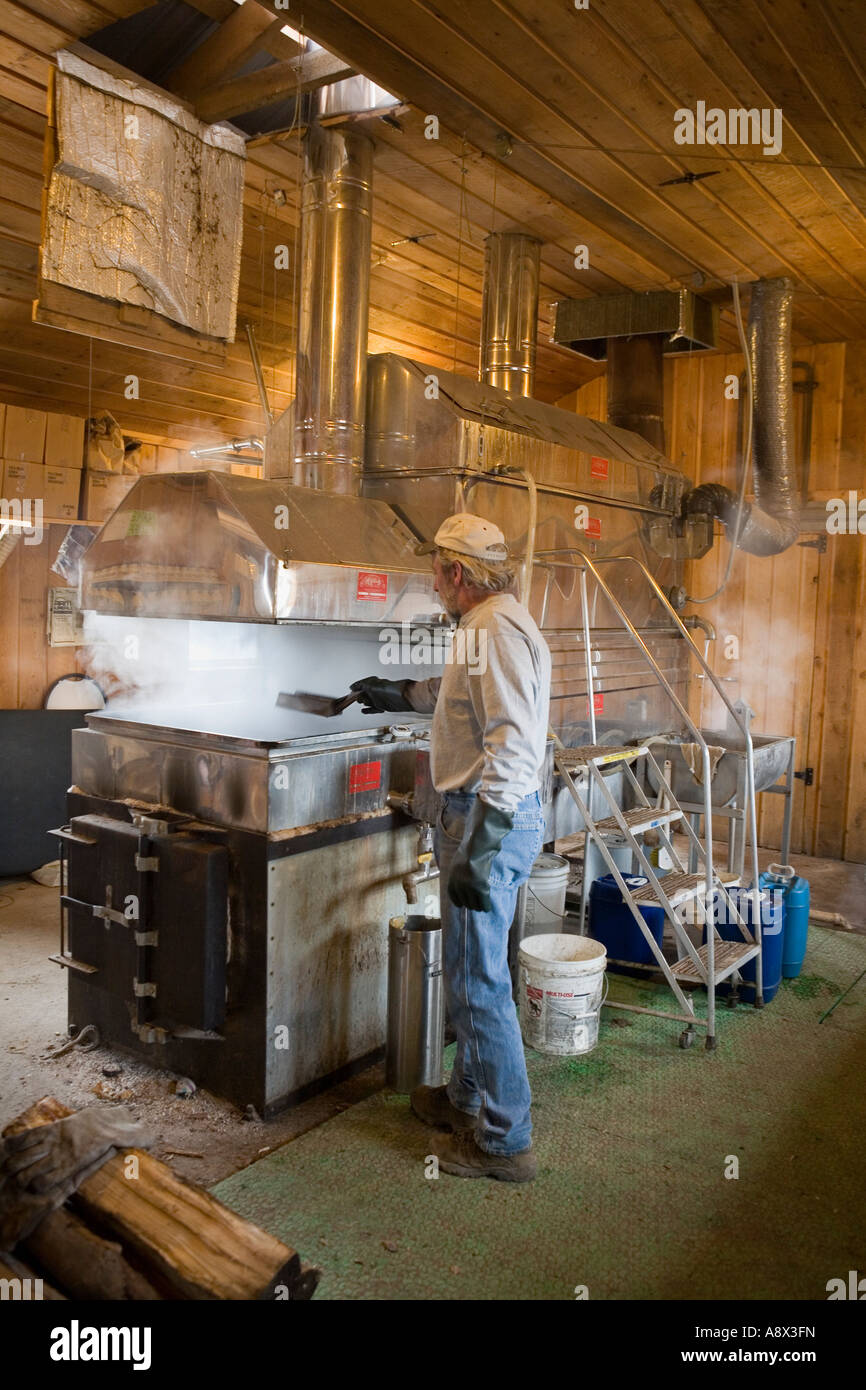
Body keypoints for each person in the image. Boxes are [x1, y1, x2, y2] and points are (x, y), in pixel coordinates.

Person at [351, 513, 551, 1182]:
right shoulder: (492, 621)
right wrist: (397, 694)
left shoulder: (491, 628)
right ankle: (466, 1097)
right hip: (485, 818)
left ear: (455, 573)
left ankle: (506, 1142)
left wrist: (485, 843)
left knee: (477, 983)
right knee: (474, 969)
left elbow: (514, 742)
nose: (432, 582)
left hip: (487, 820)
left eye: (435, 570)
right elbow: (455, 696)